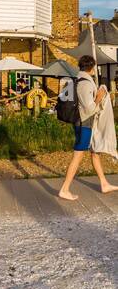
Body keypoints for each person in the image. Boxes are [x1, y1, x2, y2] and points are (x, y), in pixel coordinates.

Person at [58, 55, 116, 200]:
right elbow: (89, 108)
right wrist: (99, 96)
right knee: (78, 156)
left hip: (83, 123)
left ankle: (104, 184)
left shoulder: (78, 79)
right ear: (92, 67)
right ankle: (64, 189)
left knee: (95, 152)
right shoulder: (85, 83)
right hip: (84, 124)